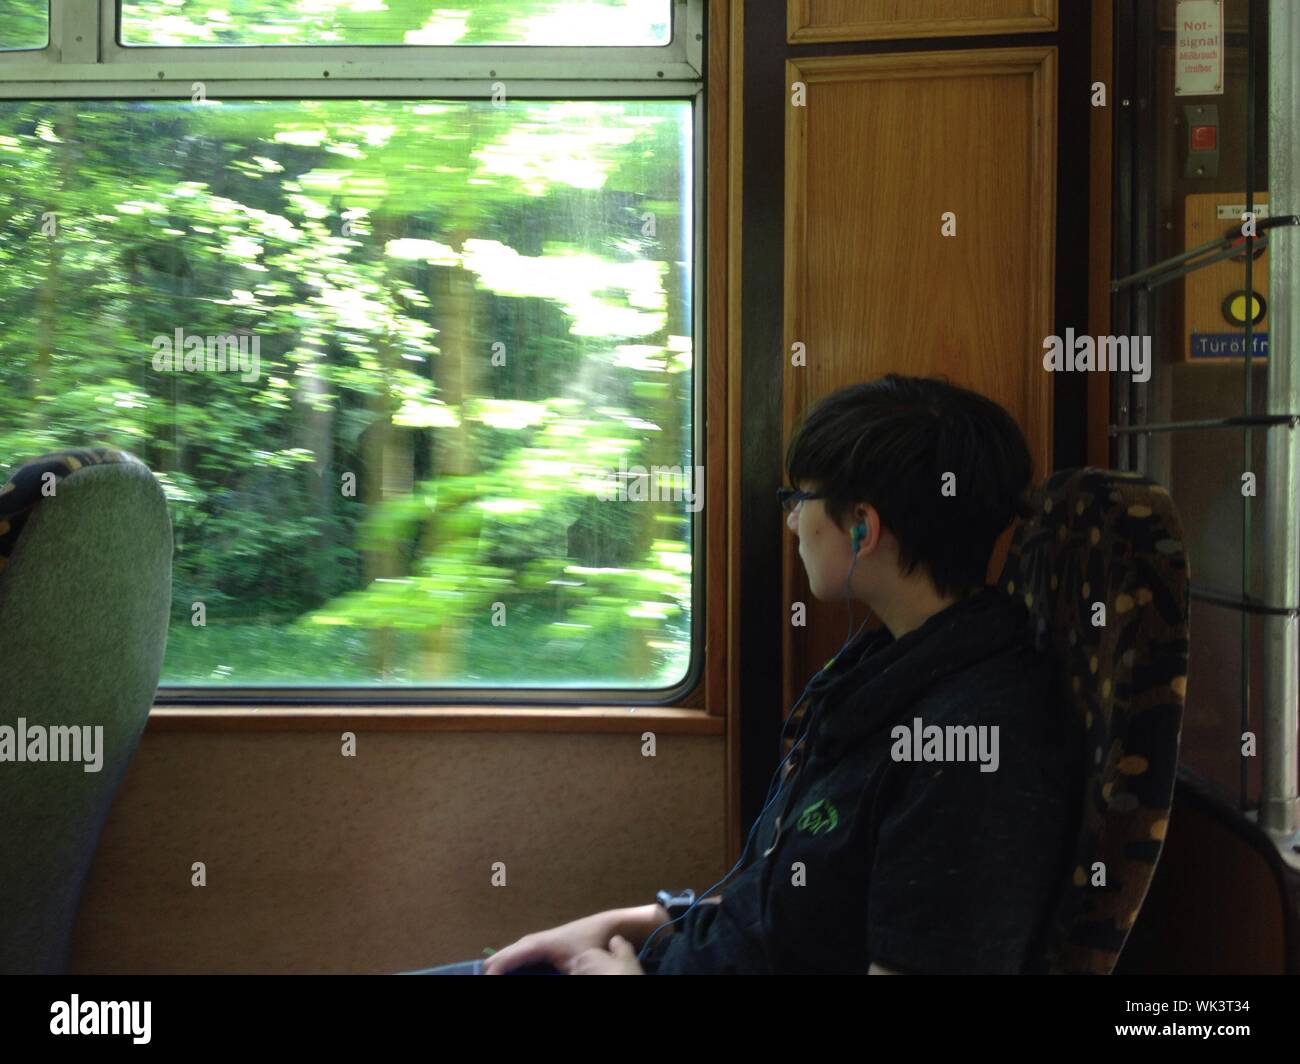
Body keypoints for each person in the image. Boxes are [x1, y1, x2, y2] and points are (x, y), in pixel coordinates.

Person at [407, 374, 1083, 975]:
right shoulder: (884, 668)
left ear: (860, 527)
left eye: (800, 496)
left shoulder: (973, 745)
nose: (791, 519)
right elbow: (790, 907)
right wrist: (636, 922)